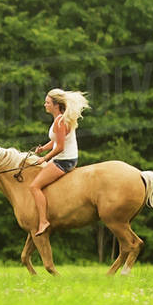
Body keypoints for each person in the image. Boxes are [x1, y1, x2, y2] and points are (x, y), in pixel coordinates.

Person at [30, 88, 89, 236]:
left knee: (34, 186)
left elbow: (60, 147)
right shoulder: (60, 119)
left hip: (64, 161)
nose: (45, 105)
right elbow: (56, 141)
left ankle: (43, 221)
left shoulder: (60, 121)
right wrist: (43, 148)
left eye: (47, 102)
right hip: (64, 158)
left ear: (56, 105)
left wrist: (45, 158)